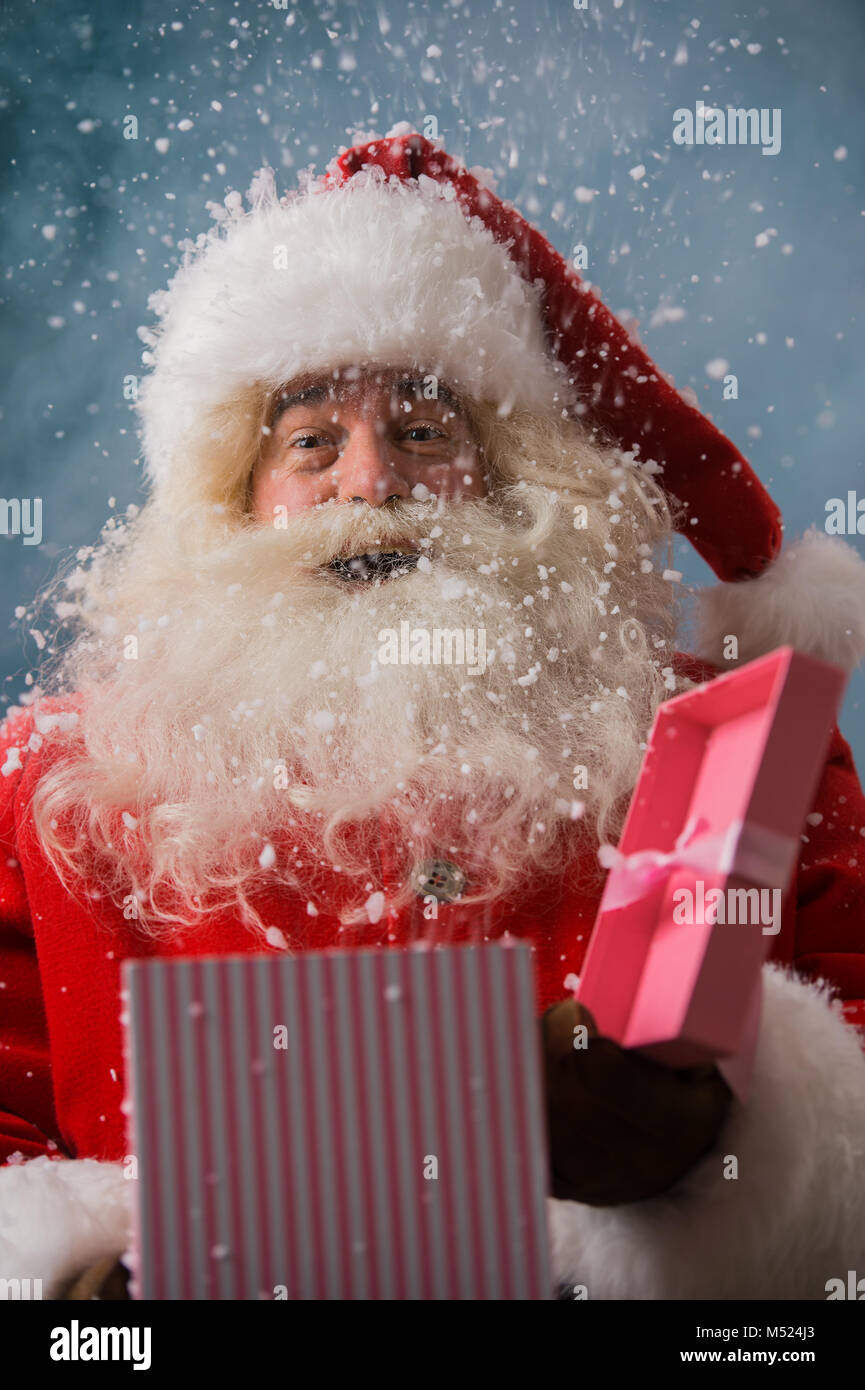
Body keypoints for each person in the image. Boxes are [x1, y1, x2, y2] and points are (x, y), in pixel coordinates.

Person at [1, 130, 864, 1301]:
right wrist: (60, 1286)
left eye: (421, 431)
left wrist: (728, 1155)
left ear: (515, 480)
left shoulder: (729, 746)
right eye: (311, 442)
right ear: (234, 498)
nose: (370, 484)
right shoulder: (56, 785)